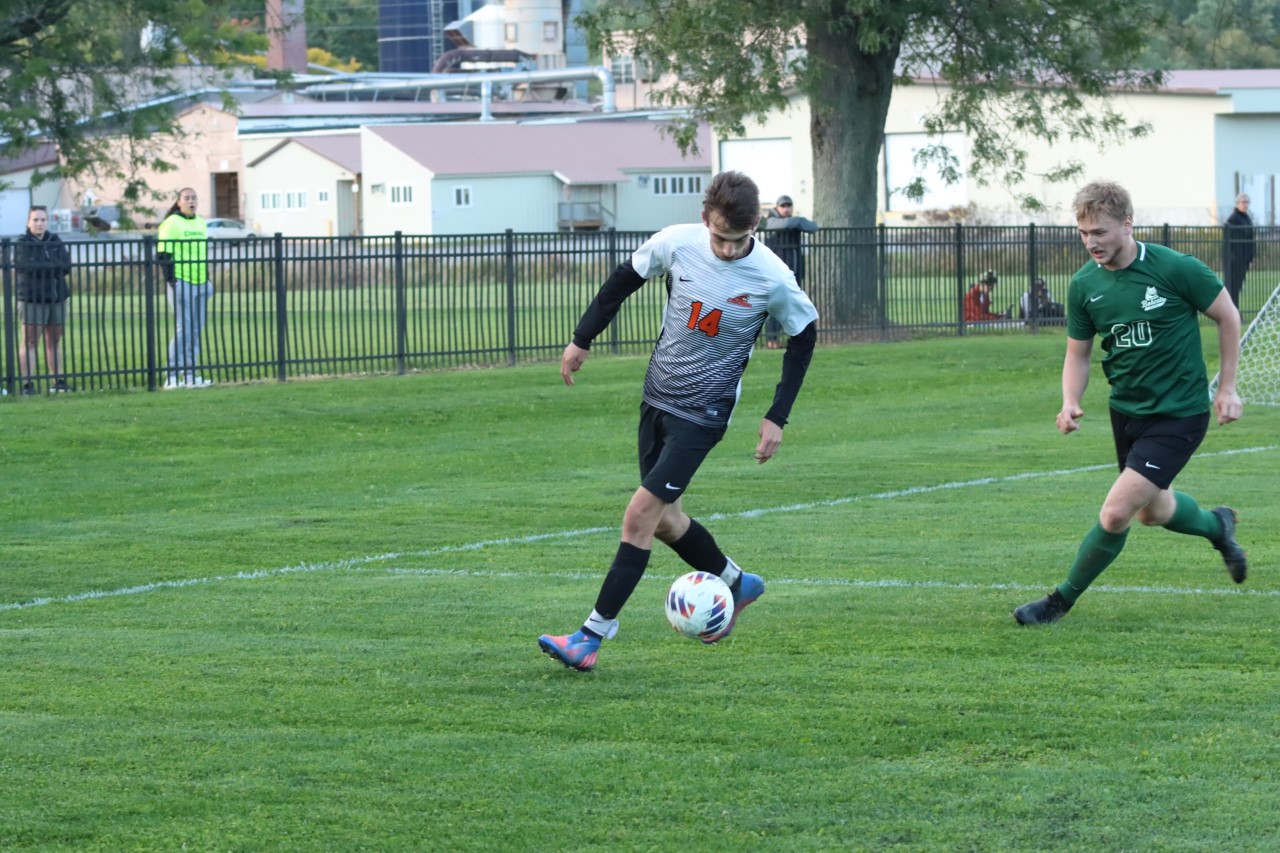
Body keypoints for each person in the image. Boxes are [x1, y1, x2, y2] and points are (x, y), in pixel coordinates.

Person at [538, 171, 820, 671]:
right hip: (657, 399)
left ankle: (590, 637)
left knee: (639, 516)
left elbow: (804, 336)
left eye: (737, 241)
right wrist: (582, 338)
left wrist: (777, 415)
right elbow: (621, 282)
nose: (727, 250)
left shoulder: (772, 275)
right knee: (667, 521)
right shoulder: (676, 243)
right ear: (703, 219)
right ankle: (736, 582)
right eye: (718, 238)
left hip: (704, 414)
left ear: (755, 225)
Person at [1014, 181, 1246, 626]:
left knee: (1116, 511)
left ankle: (1057, 603)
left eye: (1099, 232)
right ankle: (1218, 526)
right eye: (1083, 233)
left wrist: (1228, 388)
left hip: (1179, 413)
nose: (1091, 242)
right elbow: (1077, 354)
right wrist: (1070, 401)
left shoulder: (1175, 268)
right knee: (1153, 512)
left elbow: (1228, 315)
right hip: (1128, 413)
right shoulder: (1084, 286)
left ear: (1127, 224)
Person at [157, 187, 214, 389]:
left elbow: (201, 253)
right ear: (179, 202)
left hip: (200, 282)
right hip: (182, 281)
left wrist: (207, 279)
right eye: (187, 198)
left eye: (194, 198)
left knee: (196, 330)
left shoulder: (200, 223)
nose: (191, 201)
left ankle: (190, 375)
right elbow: (163, 255)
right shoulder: (171, 223)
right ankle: (172, 375)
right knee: (184, 329)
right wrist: (173, 281)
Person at [15, 206, 73, 394]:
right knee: (30, 341)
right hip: (32, 299)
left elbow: (65, 266)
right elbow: (27, 268)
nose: (39, 223)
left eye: (43, 220)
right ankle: (27, 384)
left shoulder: (55, 241)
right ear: (28, 222)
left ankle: (58, 381)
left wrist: (46, 267)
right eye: (35, 220)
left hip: (57, 297)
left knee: (54, 341)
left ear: (47, 222)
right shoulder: (23, 243)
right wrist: (51, 267)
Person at [759, 194, 818, 348]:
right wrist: (796, 222)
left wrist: (796, 222)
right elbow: (775, 224)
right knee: (775, 306)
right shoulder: (770, 220)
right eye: (783, 206)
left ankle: (791, 338)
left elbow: (813, 227)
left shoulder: (794, 222)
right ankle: (772, 340)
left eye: (788, 206)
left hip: (794, 272)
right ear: (777, 207)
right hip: (776, 274)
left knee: (791, 307)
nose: (786, 209)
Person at [1223, 193, 1255, 308]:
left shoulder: (1246, 218)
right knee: (1233, 288)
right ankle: (1232, 312)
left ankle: (1235, 311)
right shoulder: (1233, 219)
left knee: (1238, 287)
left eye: (1247, 202)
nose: (1246, 205)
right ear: (1238, 204)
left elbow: (1250, 239)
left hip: (1244, 259)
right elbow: (1233, 242)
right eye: (1244, 202)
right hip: (1235, 260)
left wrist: (1251, 257)